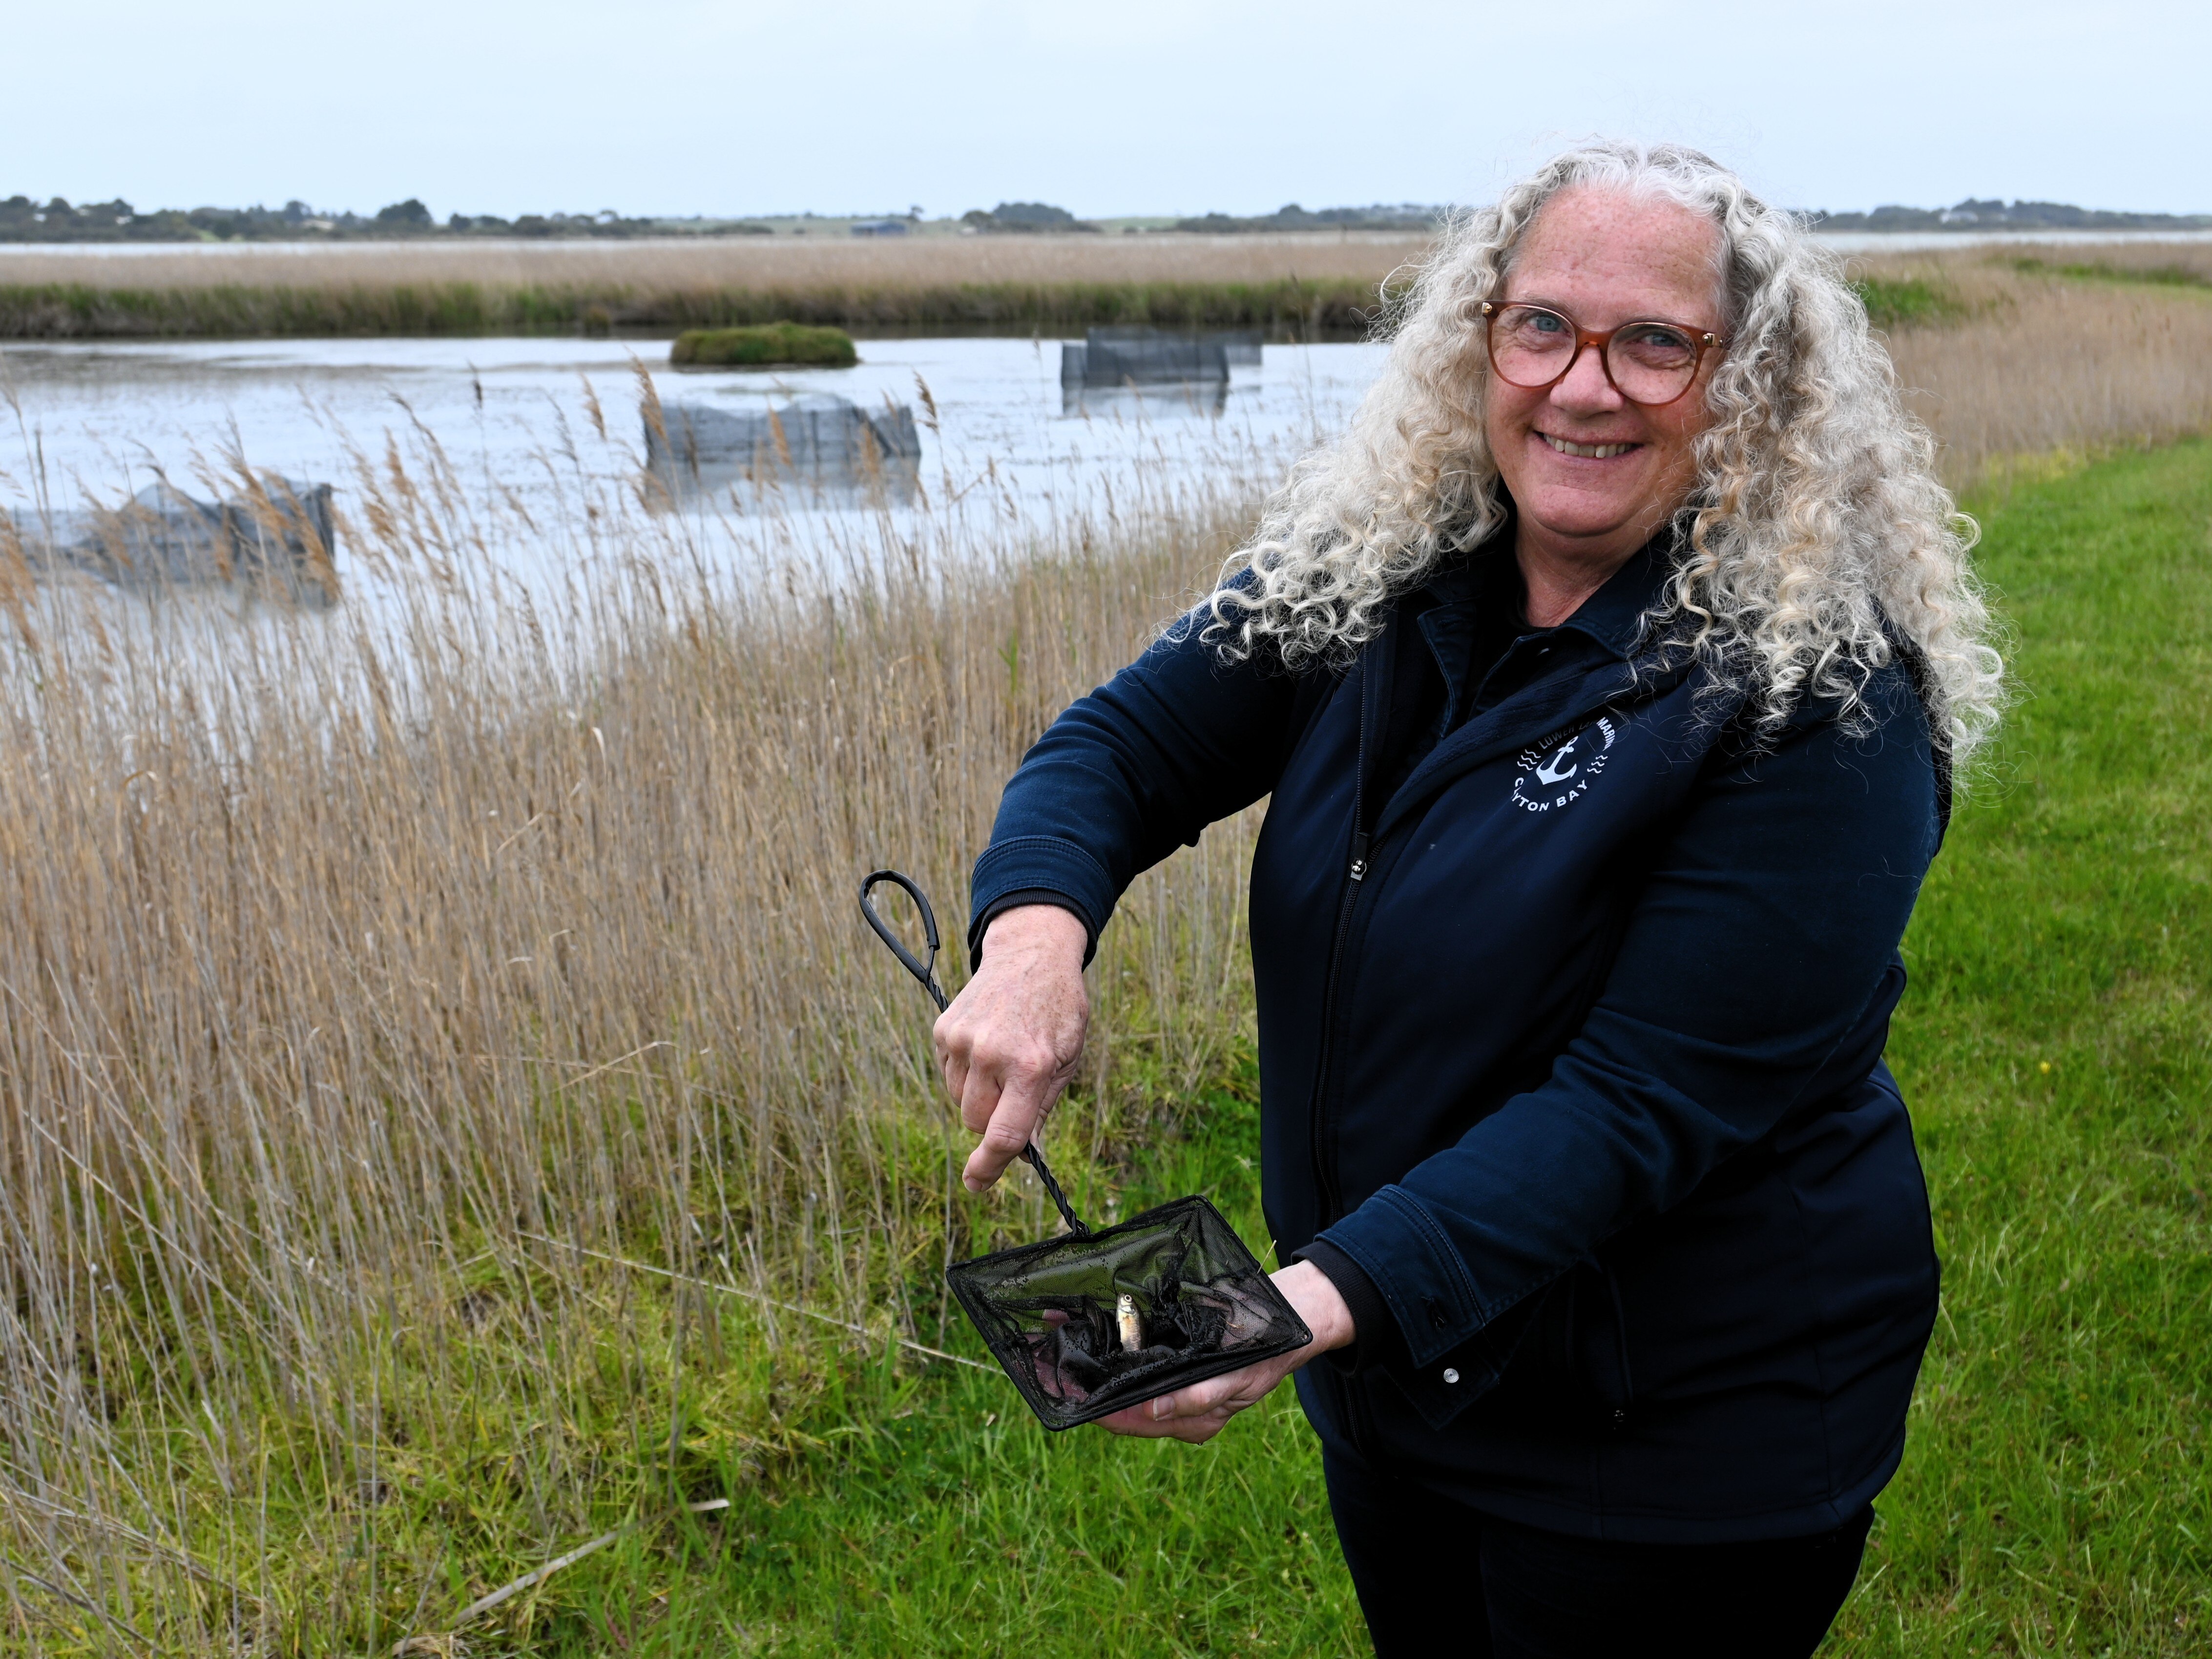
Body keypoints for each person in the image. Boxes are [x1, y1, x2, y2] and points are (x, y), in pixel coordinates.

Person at [933, 141, 2005, 1657]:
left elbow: (1638, 1104)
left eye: (1656, 344)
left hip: (1677, 1437)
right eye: (1543, 327)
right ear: (1481, 340)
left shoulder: (1815, 696)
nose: (1584, 386)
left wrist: (1310, 1299)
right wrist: (1032, 938)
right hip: (1398, 1376)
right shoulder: (1376, 576)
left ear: (1747, 385)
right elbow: (1121, 746)